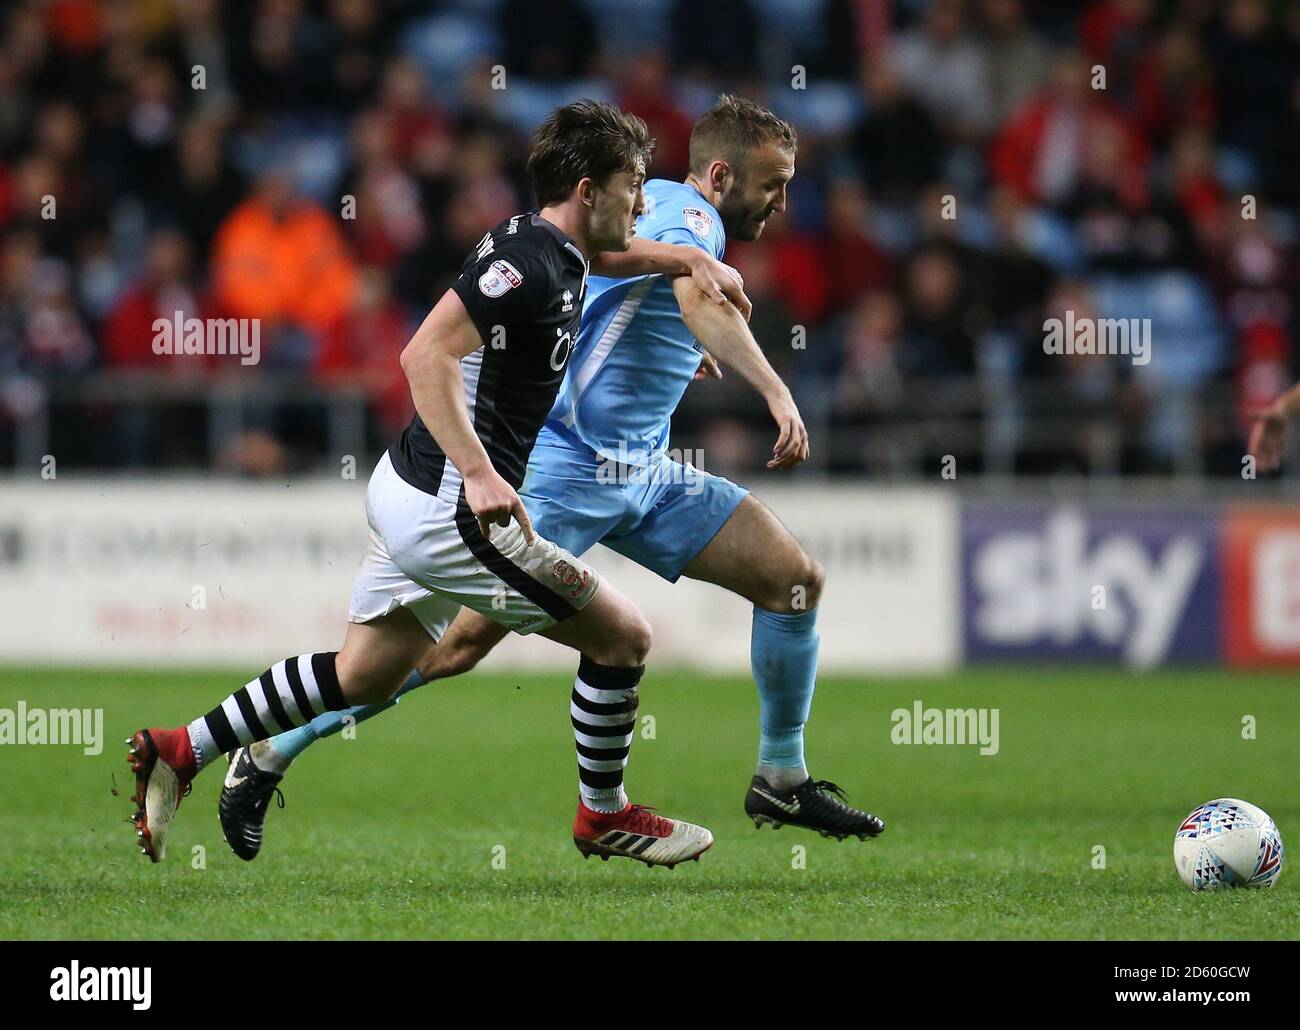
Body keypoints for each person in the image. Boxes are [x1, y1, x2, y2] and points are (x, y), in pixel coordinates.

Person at [221, 96, 888, 861]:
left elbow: (622, 285)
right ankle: (270, 753)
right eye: (772, 183)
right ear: (720, 173)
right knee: (451, 648)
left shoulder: (658, 206)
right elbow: (692, 295)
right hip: (568, 472)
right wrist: (774, 389)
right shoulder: (694, 220)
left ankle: (782, 775)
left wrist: (673, 346)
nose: (781, 200)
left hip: (641, 470)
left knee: (791, 579)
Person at [129, 101, 745, 870]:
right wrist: (483, 474)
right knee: (623, 639)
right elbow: (424, 356)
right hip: (454, 509)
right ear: (589, 191)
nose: (644, 203)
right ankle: (604, 814)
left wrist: (687, 262)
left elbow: (614, 256)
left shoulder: (561, 247)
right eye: (634, 187)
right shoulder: (528, 265)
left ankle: (182, 748)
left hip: (407, 486)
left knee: (362, 673)